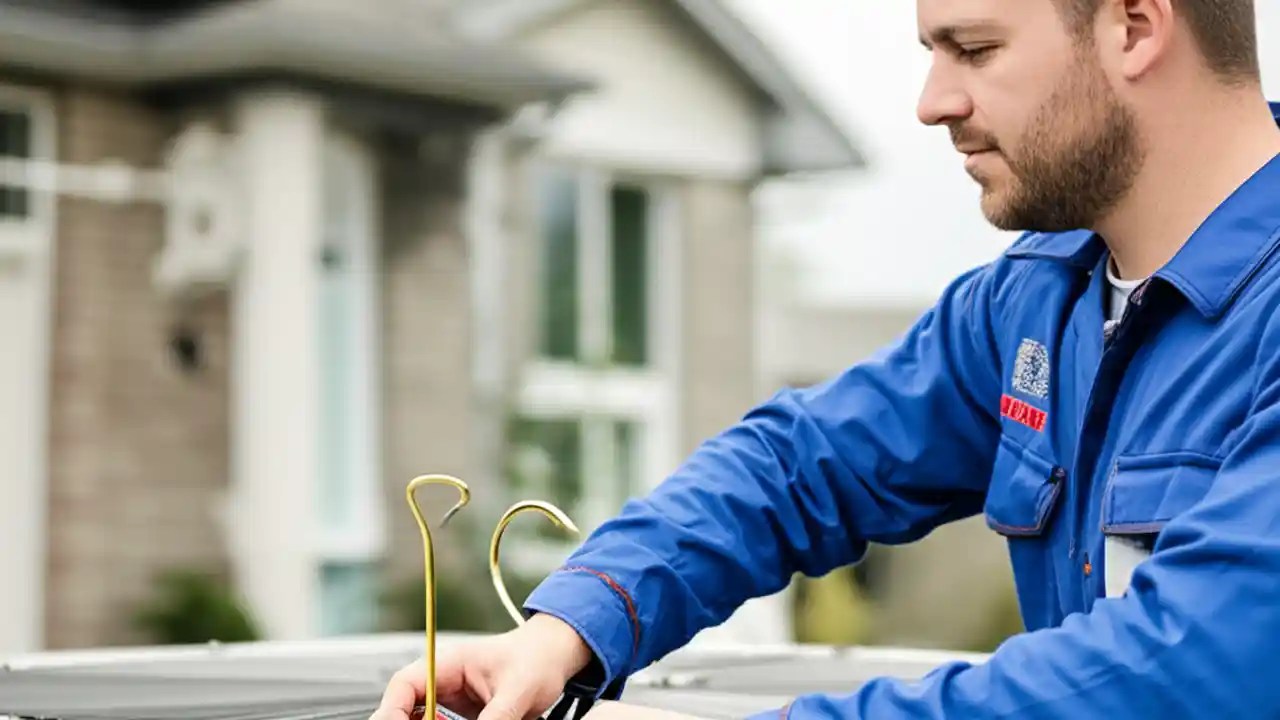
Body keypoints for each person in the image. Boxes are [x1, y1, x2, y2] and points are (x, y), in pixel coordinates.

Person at [374, 0, 1280, 717]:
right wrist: (573, 626)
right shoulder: (1037, 300)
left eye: (973, 49)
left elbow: (1188, 673)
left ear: (1134, 26)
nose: (934, 102)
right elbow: (801, 463)